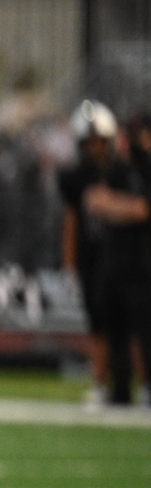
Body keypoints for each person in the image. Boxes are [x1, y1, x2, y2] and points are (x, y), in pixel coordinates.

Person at [82, 112, 151, 406]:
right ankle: (119, 389)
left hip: (141, 261)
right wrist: (118, 207)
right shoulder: (119, 169)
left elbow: (142, 210)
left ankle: (146, 386)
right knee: (114, 327)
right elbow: (94, 200)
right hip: (113, 259)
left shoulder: (144, 170)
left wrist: (113, 206)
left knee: (143, 328)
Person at [59, 100, 121, 400]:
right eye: (89, 142)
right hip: (92, 255)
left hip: (124, 255)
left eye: (99, 141)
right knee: (97, 319)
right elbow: (71, 221)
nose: (95, 148)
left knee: (128, 322)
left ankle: (135, 384)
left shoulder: (124, 172)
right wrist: (70, 265)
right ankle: (101, 383)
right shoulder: (76, 177)